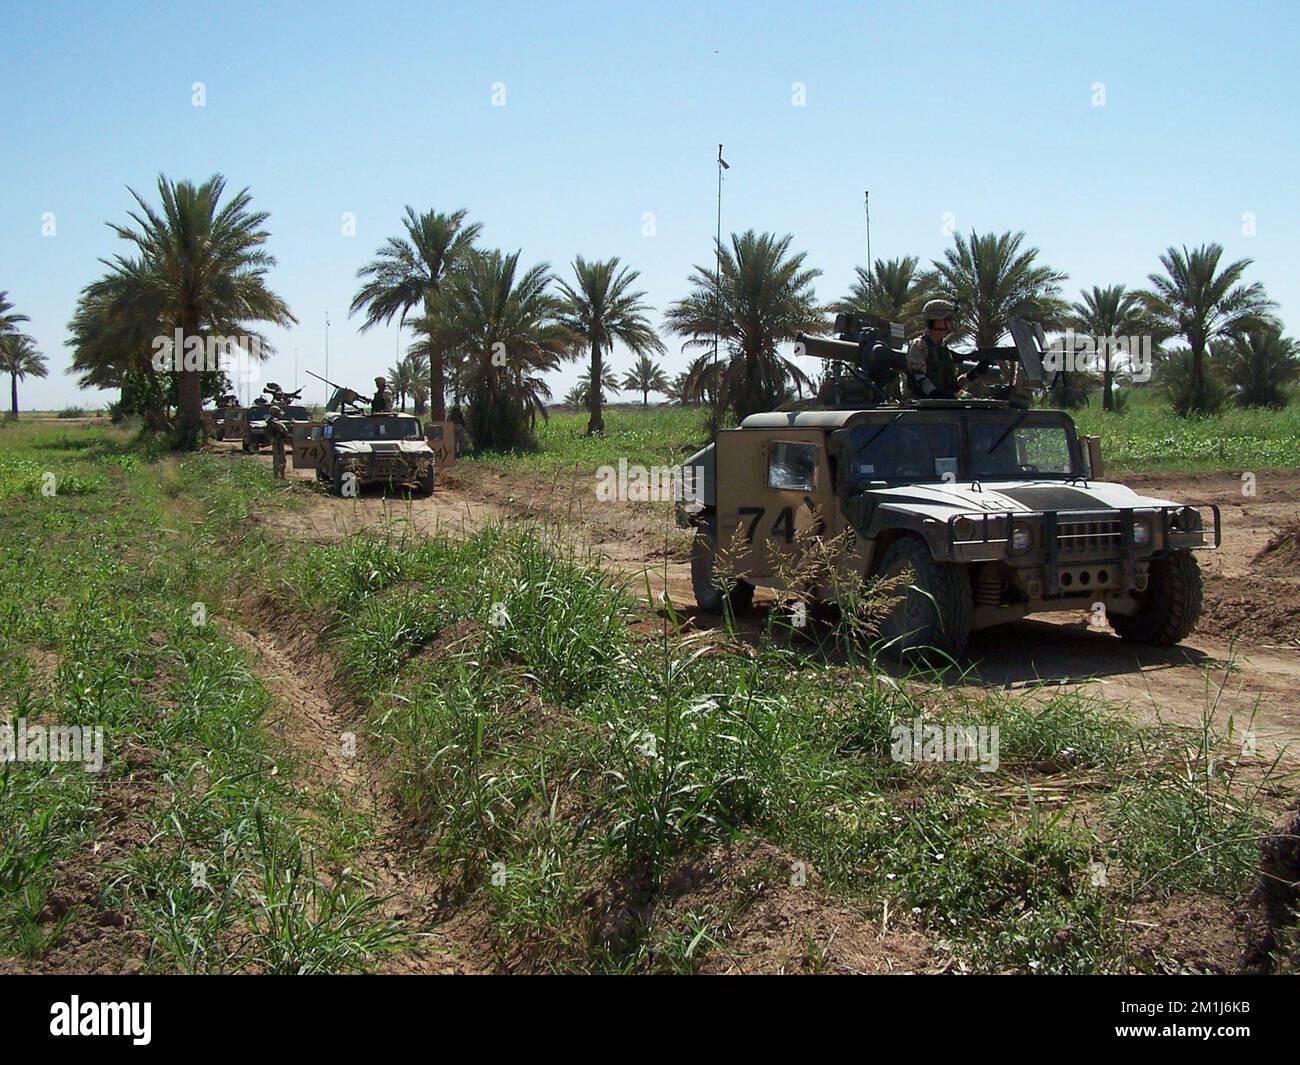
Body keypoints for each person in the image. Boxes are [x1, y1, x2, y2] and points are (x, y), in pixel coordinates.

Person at [906, 299, 961, 400]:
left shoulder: (944, 349)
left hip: (943, 406)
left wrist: (975, 373)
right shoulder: (920, 345)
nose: (950, 323)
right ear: (938, 320)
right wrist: (935, 394)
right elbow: (918, 376)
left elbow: (954, 385)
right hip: (923, 407)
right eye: (948, 319)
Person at [264, 403, 293, 480]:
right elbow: (283, 428)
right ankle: (280, 476)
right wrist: (288, 435)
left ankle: (277, 476)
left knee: (277, 458)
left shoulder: (270, 421)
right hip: (278, 442)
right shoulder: (274, 421)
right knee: (280, 458)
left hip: (276, 441)